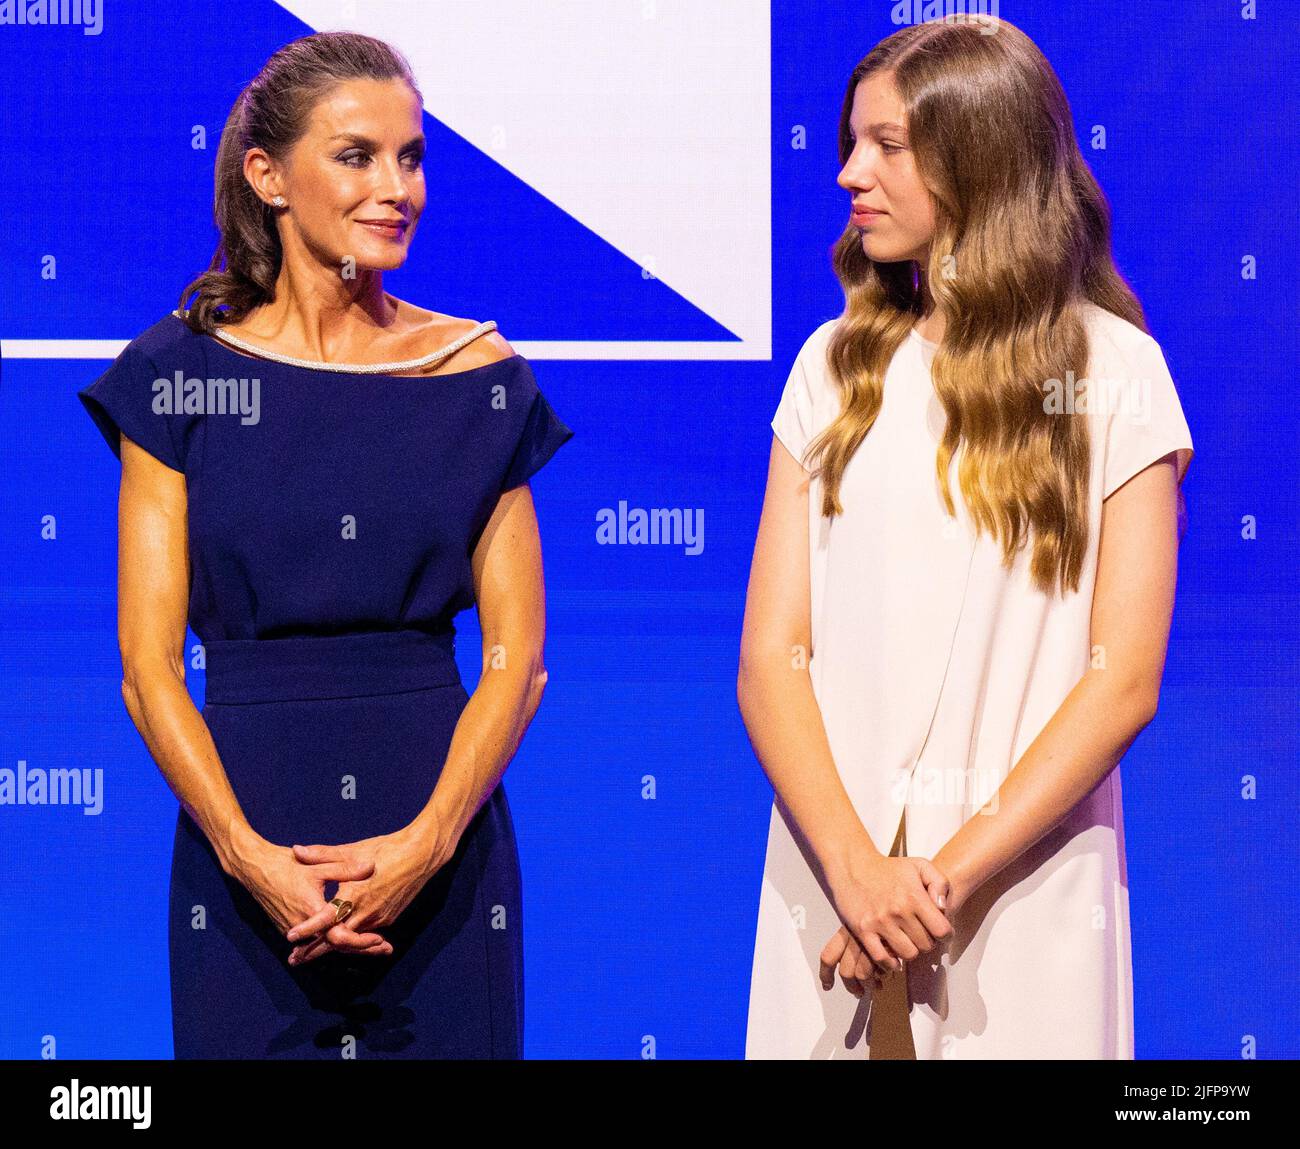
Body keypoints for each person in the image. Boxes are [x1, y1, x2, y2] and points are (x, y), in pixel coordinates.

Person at [77, 31, 573, 1059]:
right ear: (268, 176)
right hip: (245, 851)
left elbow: (517, 663)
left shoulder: (477, 373)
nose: (396, 187)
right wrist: (248, 856)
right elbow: (148, 668)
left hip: (442, 858)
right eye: (357, 156)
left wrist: (426, 847)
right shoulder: (178, 373)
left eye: (412, 156)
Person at [738, 15, 1193, 1059]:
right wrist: (857, 873)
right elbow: (770, 658)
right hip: (831, 890)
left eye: (886, 145)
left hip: (1020, 899)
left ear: (978, 156)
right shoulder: (831, 367)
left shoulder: (1114, 375)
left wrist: (935, 882)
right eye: (851, 141)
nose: (849, 172)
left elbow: (1120, 680)